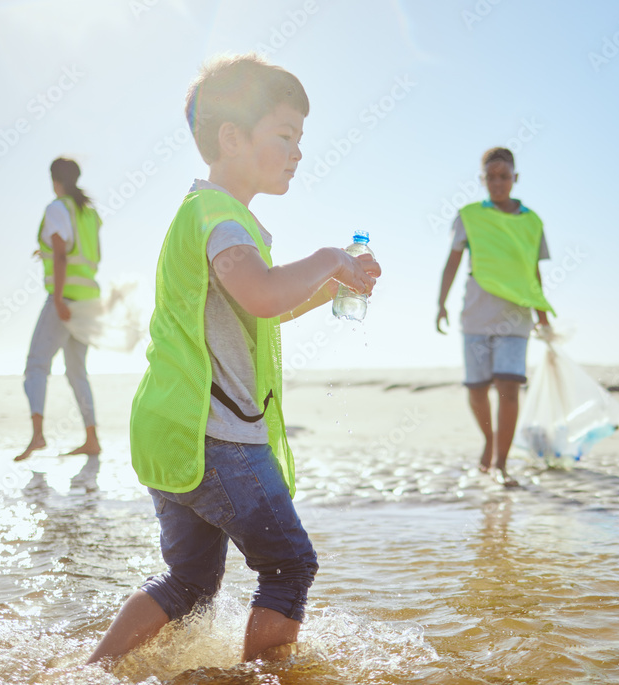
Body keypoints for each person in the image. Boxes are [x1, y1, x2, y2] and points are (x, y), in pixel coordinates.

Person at [85, 54, 380, 667]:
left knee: (190, 584)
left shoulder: (219, 217)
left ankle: (93, 673)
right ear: (231, 137)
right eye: (285, 135)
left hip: (173, 431)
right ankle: (261, 681)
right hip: (213, 435)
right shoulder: (219, 216)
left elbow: (260, 308)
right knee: (290, 563)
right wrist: (330, 257)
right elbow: (262, 291)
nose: (298, 151)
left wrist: (332, 289)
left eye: (301, 138)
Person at [436, 147, 554, 487]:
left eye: (505, 176)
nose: (498, 182)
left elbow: (533, 273)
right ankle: (490, 440)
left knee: (509, 388)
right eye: (491, 176)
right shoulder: (468, 216)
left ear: (515, 179)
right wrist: (440, 302)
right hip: (476, 314)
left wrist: (542, 315)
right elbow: (453, 261)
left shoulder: (532, 222)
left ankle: (501, 464)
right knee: (476, 390)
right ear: (482, 180)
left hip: (516, 317)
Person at [16, 158, 102, 462]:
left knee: (36, 364)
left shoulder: (57, 208)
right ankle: (92, 439)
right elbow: (79, 253)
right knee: (78, 371)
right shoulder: (89, 213)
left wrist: (57, 300)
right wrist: (47, 253)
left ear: (55, 180)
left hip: (66, 299)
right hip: (90, 299)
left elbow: (63, 256)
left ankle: (38, 436)